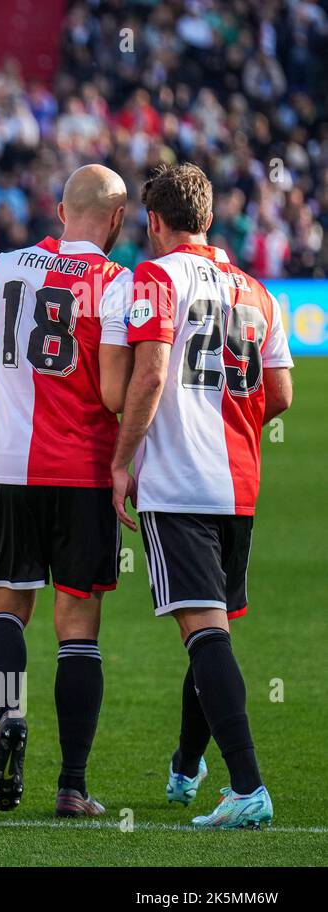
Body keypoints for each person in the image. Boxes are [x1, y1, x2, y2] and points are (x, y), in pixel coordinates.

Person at [111, 163, 293, 829]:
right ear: (210, 218)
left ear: (154, 222)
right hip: (238, 485)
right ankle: (188, 765)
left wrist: (121, 463)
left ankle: (247, 786)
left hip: (180, 481)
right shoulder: (257, 291)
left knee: (203, 632)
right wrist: (236, 427)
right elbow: (281, 395)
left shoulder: (155, 277)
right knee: (206, 627)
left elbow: (152, 370)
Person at [0, 165, 133, 817]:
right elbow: (115, 394)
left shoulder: (5, 266)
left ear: (61, 210)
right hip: (84, 473)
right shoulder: (117, 285)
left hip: (10, 464)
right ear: (117, 219)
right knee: (78, 630)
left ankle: (10, 713)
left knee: (3, 612)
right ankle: (72, 785)